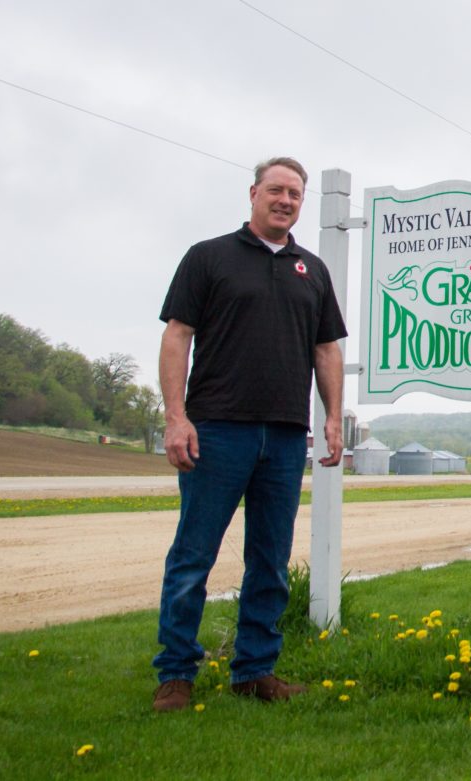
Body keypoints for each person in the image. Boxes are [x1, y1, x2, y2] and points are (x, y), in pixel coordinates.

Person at [152, 157, 347, 712]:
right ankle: (175, 674)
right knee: (194, 556)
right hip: (217, 429)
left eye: (296, 194)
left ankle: (255, 670)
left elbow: (327, 348)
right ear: (254, 193)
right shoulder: (208, 257)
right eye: (277, 190)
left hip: (285, 436)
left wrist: (333, 417)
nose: (286, 200)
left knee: (270, 559)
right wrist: (175, 415)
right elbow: (177, 336)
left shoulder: (312, 269)